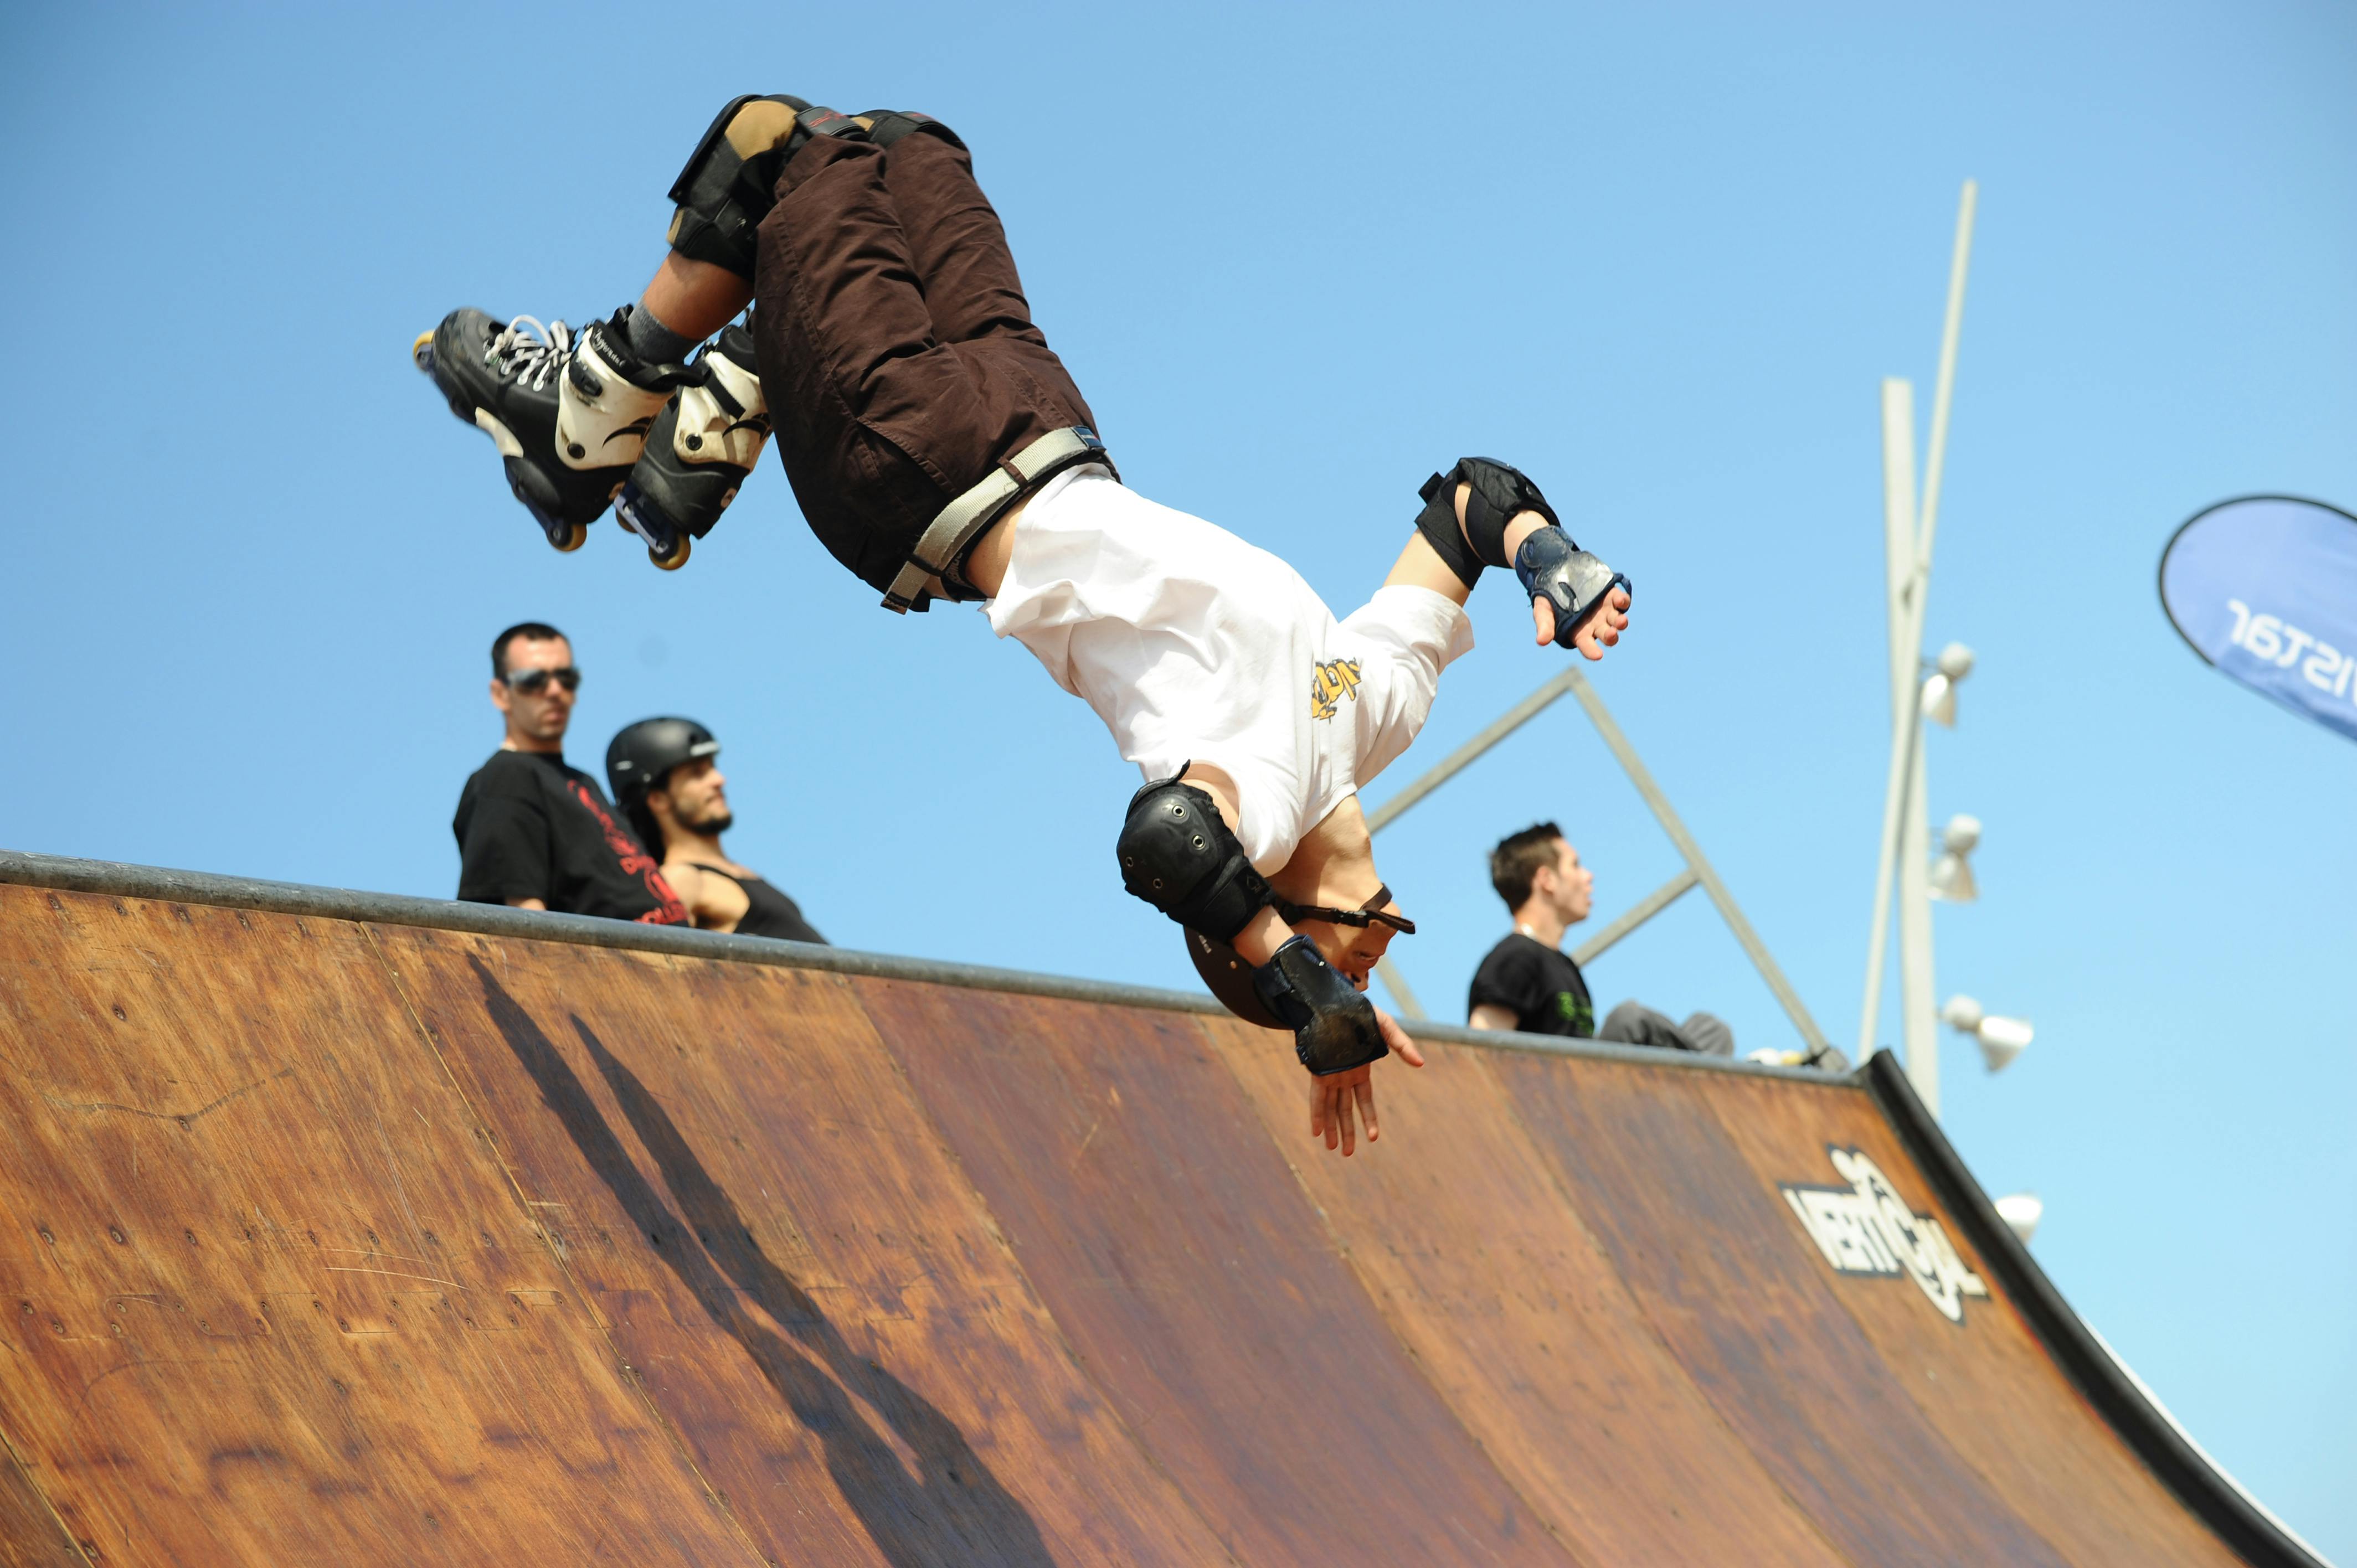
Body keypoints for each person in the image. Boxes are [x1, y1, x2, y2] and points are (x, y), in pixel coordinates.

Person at [419, 97, 1633, 1156]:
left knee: (781, 148)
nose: (1379, 949)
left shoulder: (1258, 801)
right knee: (909, 143)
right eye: (1374, 954)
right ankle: (718, 416)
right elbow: (1469, 501)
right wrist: (1552, 560)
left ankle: (590, 420)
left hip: (920, 471)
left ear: (1268, 906)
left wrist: (1303, 981)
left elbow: (1167, 843)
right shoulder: (1377, 709)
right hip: (1045, 425)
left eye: (1357, 955)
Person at [452, 622, 687, 925]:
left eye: (566, 678)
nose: (555, 691)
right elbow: (520, 920)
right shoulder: (507, 775)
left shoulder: (582, 781)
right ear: (501, 695)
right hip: (606, 956)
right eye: (533, 680)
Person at [1467, 823, 1731, 1055]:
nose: (1588, 876)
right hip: (1561, 1091)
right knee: (1629, 1021)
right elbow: (1481, 1052)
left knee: (1709, 1029)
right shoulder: (1514, 959)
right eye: (1575, 865)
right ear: (1547, 880)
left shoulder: (1563, 966)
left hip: (1594, 1080)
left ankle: (1705, 1074)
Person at [605, 717, 827, 943]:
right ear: (658, 799)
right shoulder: (681, 878)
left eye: (713, 767)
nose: (718, 780)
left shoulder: (746, 874)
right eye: (697, 773)